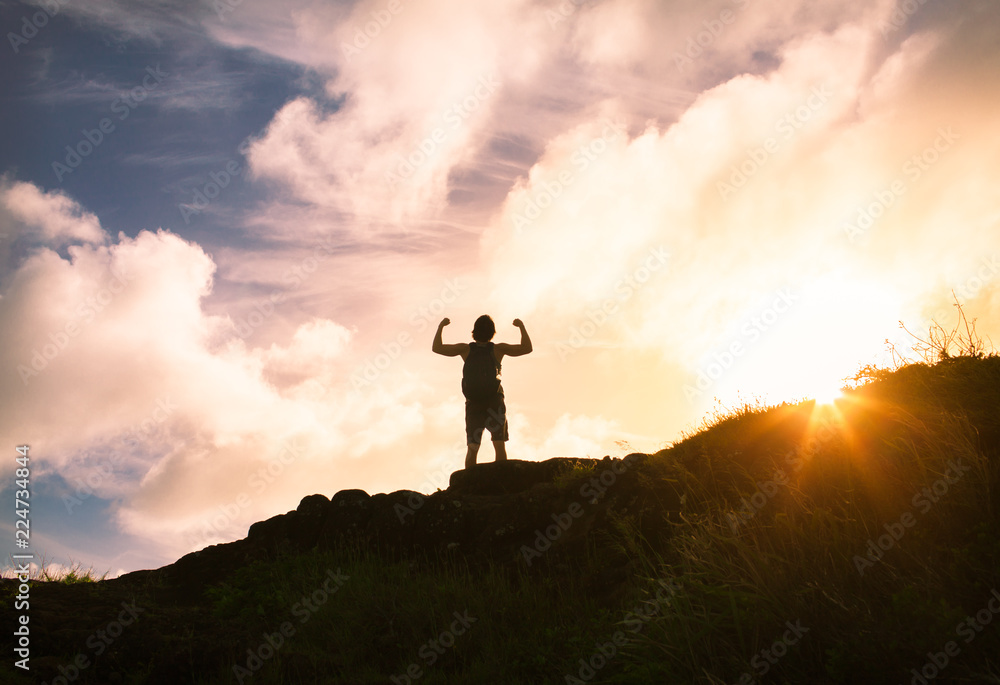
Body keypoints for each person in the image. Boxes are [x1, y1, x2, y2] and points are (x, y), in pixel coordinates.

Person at [432, 315, 532, 468]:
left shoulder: (465, 349)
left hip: (474, 403)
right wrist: (521, 326)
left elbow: (437, 348)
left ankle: (467, 485)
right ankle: (502, 481)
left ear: (474, 332)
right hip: (495, 400)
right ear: (493, 333)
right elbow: (526, 348)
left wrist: (441, 326)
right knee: (499, 444)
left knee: (472, 447)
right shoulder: (498, 349)